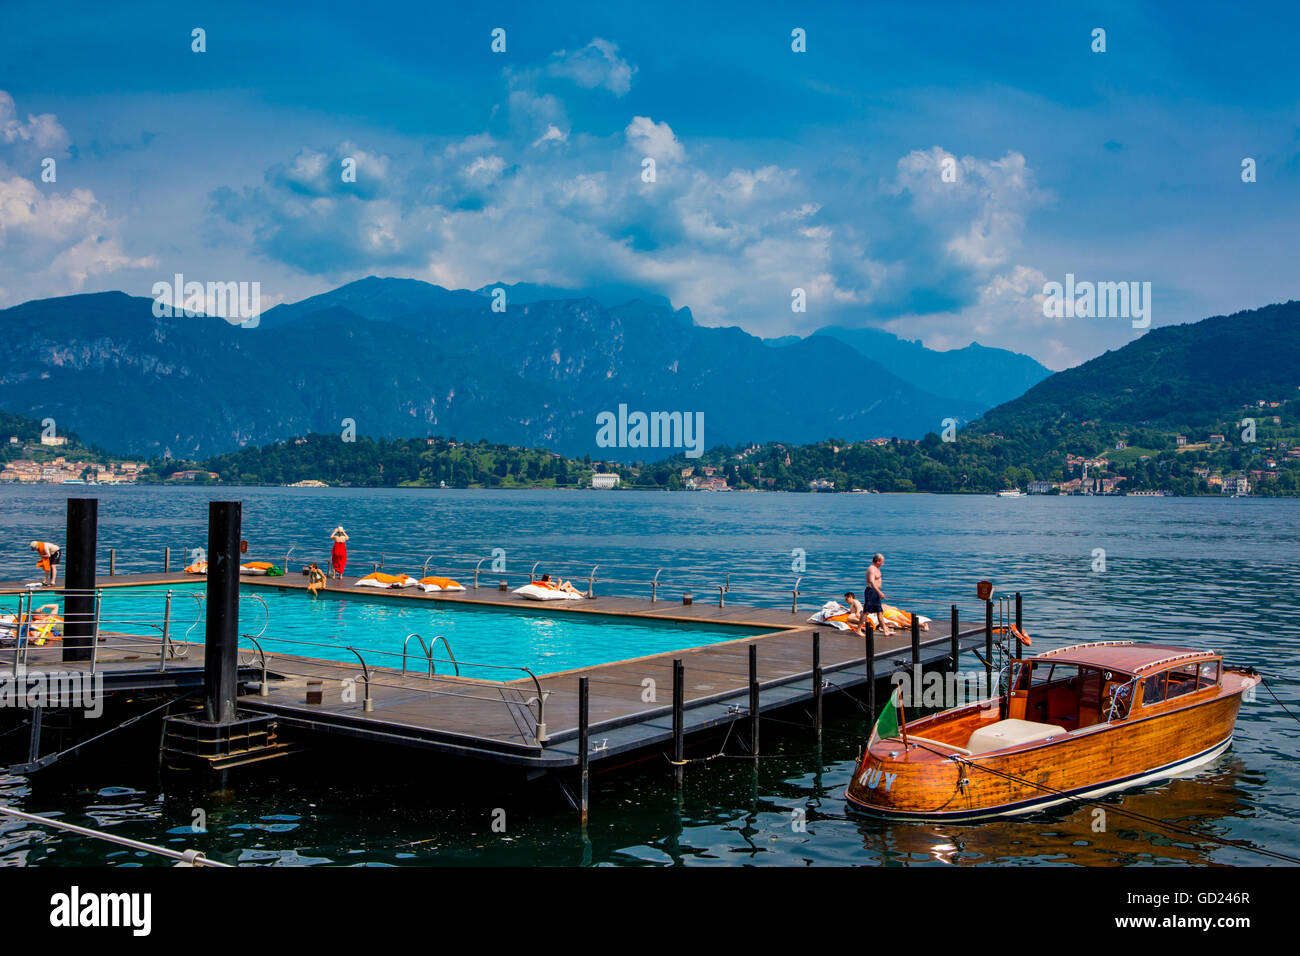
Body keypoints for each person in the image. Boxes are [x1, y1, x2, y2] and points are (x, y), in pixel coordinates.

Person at [864, 553, 891, 635]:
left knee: (879, 612)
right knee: (866, 612)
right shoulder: (872, 569)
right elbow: (872, 582)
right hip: (871, 592)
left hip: (876, 592)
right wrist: (879, 592)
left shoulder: (876, 569)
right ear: (878, 561)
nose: (883, 563)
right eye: (882, 561)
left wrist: (878, 592)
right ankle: (858, 628)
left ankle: (885, 630)